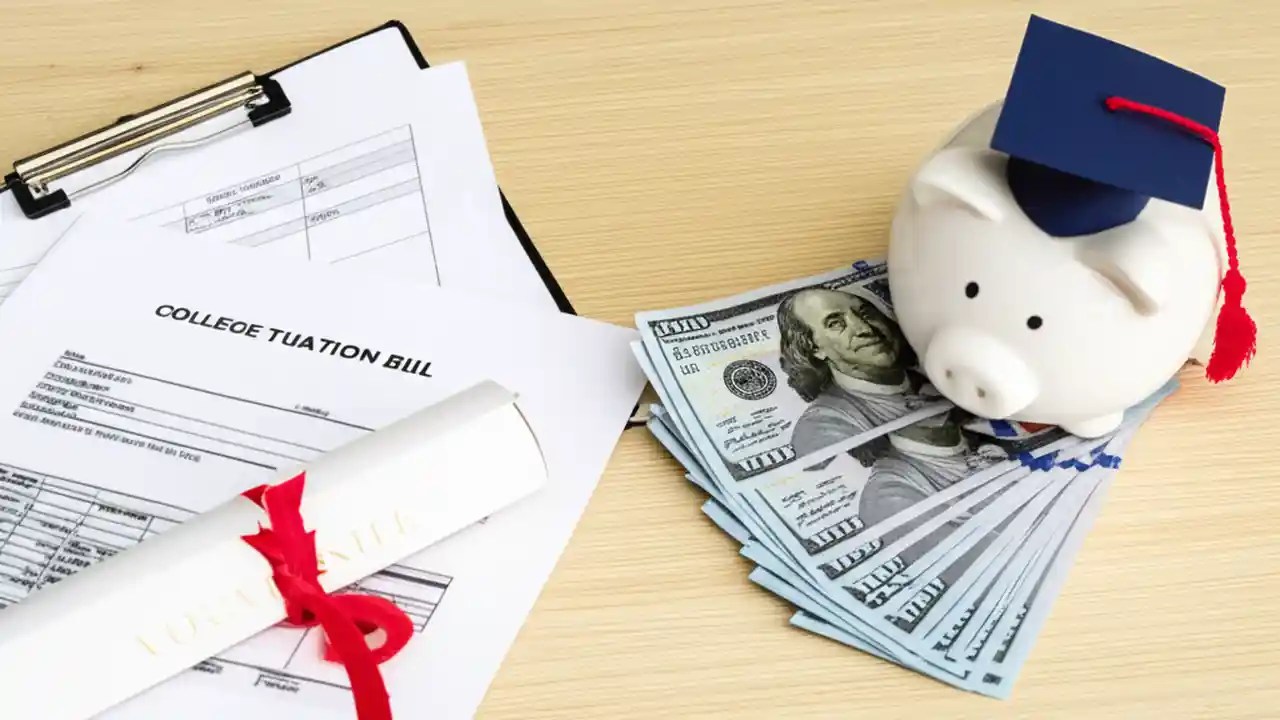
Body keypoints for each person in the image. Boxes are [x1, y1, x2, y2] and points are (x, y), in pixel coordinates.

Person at [778, 287, 932, 462]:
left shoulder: (926, 377)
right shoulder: (822, 426)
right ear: (814, 349)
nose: (865, 328)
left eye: (866, 314)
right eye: (835, 323)